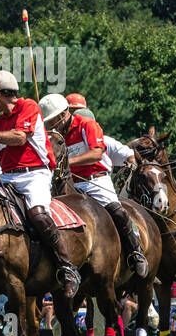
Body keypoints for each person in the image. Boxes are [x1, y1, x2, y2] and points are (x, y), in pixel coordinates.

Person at [0, 71, 79, 298]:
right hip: (8, 177)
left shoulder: (28, 107)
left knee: (37, 214)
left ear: (0, 94)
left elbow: (20, 137)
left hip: (35, 175)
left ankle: (67, 268)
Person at [40, 92, 148, 278]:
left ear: (64, 114)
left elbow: (96, 154)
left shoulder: (86, 125)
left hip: (94, 181)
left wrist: (67, 162)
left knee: (118, 212)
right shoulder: (54, 135)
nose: (50, 125)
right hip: (69, 183)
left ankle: (135, 252)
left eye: (52, 120)